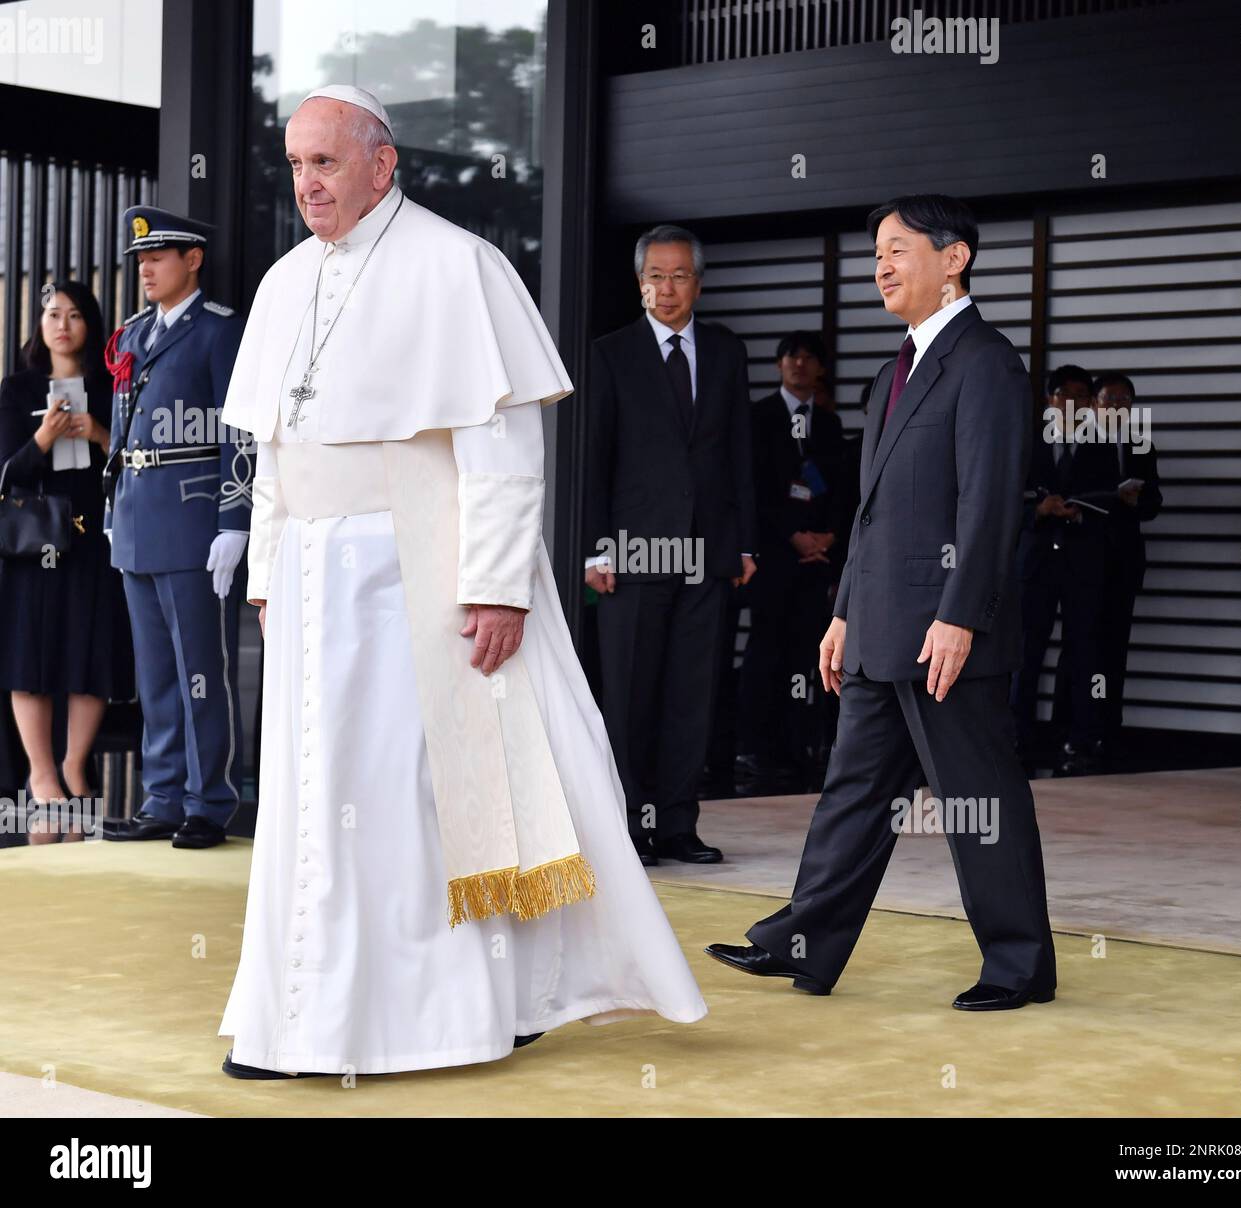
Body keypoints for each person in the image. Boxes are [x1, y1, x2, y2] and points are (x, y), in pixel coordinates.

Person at [215, 85, 706, 1078]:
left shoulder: (456, 263)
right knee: (310, 797)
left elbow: (503, 445)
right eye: (296, 164)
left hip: (411, 572)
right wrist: (267, 569)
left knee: (408, 796)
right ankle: (299, 1013)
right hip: (309, 578)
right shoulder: (284, 281)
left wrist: (497, 585)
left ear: (381, 163)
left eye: (325, 162)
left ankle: (426, 1017)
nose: (307, 183)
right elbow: (273, 449)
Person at [707, 194, 1056, 1010]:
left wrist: (961, 615)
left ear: (955, 258)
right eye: (876, 255)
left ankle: (1019, 966)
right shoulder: (893, 370)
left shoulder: (987, 363)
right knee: (854, 795)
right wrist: (844, 612)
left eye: (899, 249)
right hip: (879, 628)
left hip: (945, 632)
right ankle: (800, 944)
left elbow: (990, 504)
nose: (883, 267)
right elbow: (871, 510)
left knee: (978, 802)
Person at [584, 223, 757, 867]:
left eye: (679, 275)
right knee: (630, 693)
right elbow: (594, 459)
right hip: (632, 553)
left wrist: (745, 544)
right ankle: (632, 825)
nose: (667, 287)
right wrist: (595, 550)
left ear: (698, 284)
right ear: (639, 284)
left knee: (693, 692)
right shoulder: (610, 354)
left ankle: (680, 825)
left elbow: (740, 450)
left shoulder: (727, 352)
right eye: (655, 276)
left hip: (707, 551)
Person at [100, 207, 251, 848]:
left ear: (193, 259)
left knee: (200, 672)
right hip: (138, 518)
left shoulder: (219, 330)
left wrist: (235, 519)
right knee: (156, 674)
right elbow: (123, 434)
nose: (146, 269)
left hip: (193, 522)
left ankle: (209, 801)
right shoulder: (133, 334)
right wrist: (112, 512)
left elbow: (238, 430)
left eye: (157, 257)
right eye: (141, 260)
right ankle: (162, 797)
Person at [0, 281, 135, 841]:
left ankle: (75, 766)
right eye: (53, 314)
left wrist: (100, 434)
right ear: (40, 324)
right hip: (34, 545)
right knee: (29, 657)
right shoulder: (18, 388)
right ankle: (41, 774)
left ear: (90, 325)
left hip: (93, 542)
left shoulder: (110, 388)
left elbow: (132, 463)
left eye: (75, 315)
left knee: (90, 653)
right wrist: (43, 438)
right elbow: (7, 473)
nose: (62, 325)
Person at [738, 331, 848, 792]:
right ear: (779, 364)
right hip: (773, 555)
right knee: (766, 651)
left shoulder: (829, 423)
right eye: (791, 356)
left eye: (808, 358)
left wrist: (829, 536)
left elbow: (842, 488)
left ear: (820, 368)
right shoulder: (758, 416)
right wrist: (793, 535)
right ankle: (753, 746)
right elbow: (752, 487)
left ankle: (798, 744)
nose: (799, 364)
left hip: (816, 559)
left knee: (808, 652)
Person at [1011, 365, 1115, 774]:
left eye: (1081, 396)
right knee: (1025, 651)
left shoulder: (1101, 445)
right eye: (1065, 395)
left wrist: (1081, 513)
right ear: (1049, 399)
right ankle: (1016, 737)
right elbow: (1001, 501)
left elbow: (1110, 502)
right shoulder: (1025, 443)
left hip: (1082, 560)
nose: (1073, 403)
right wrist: (1038, 510)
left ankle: (1080, 737)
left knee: (1083, 651)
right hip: (1035, 561)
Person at [1093, 372, 1162, 752]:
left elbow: (1155, 502)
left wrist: (1138, 502)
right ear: (1094, 404)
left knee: (1116, 646)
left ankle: (1110, 729)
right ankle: (1074, 729)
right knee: (1079, 647)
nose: (1117, 407)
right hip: (1082, 560)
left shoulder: (1141, 446)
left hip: (1124, 558)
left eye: (1124, 401)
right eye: (1109, 399)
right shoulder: (1076, 441)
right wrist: (1109, 497)